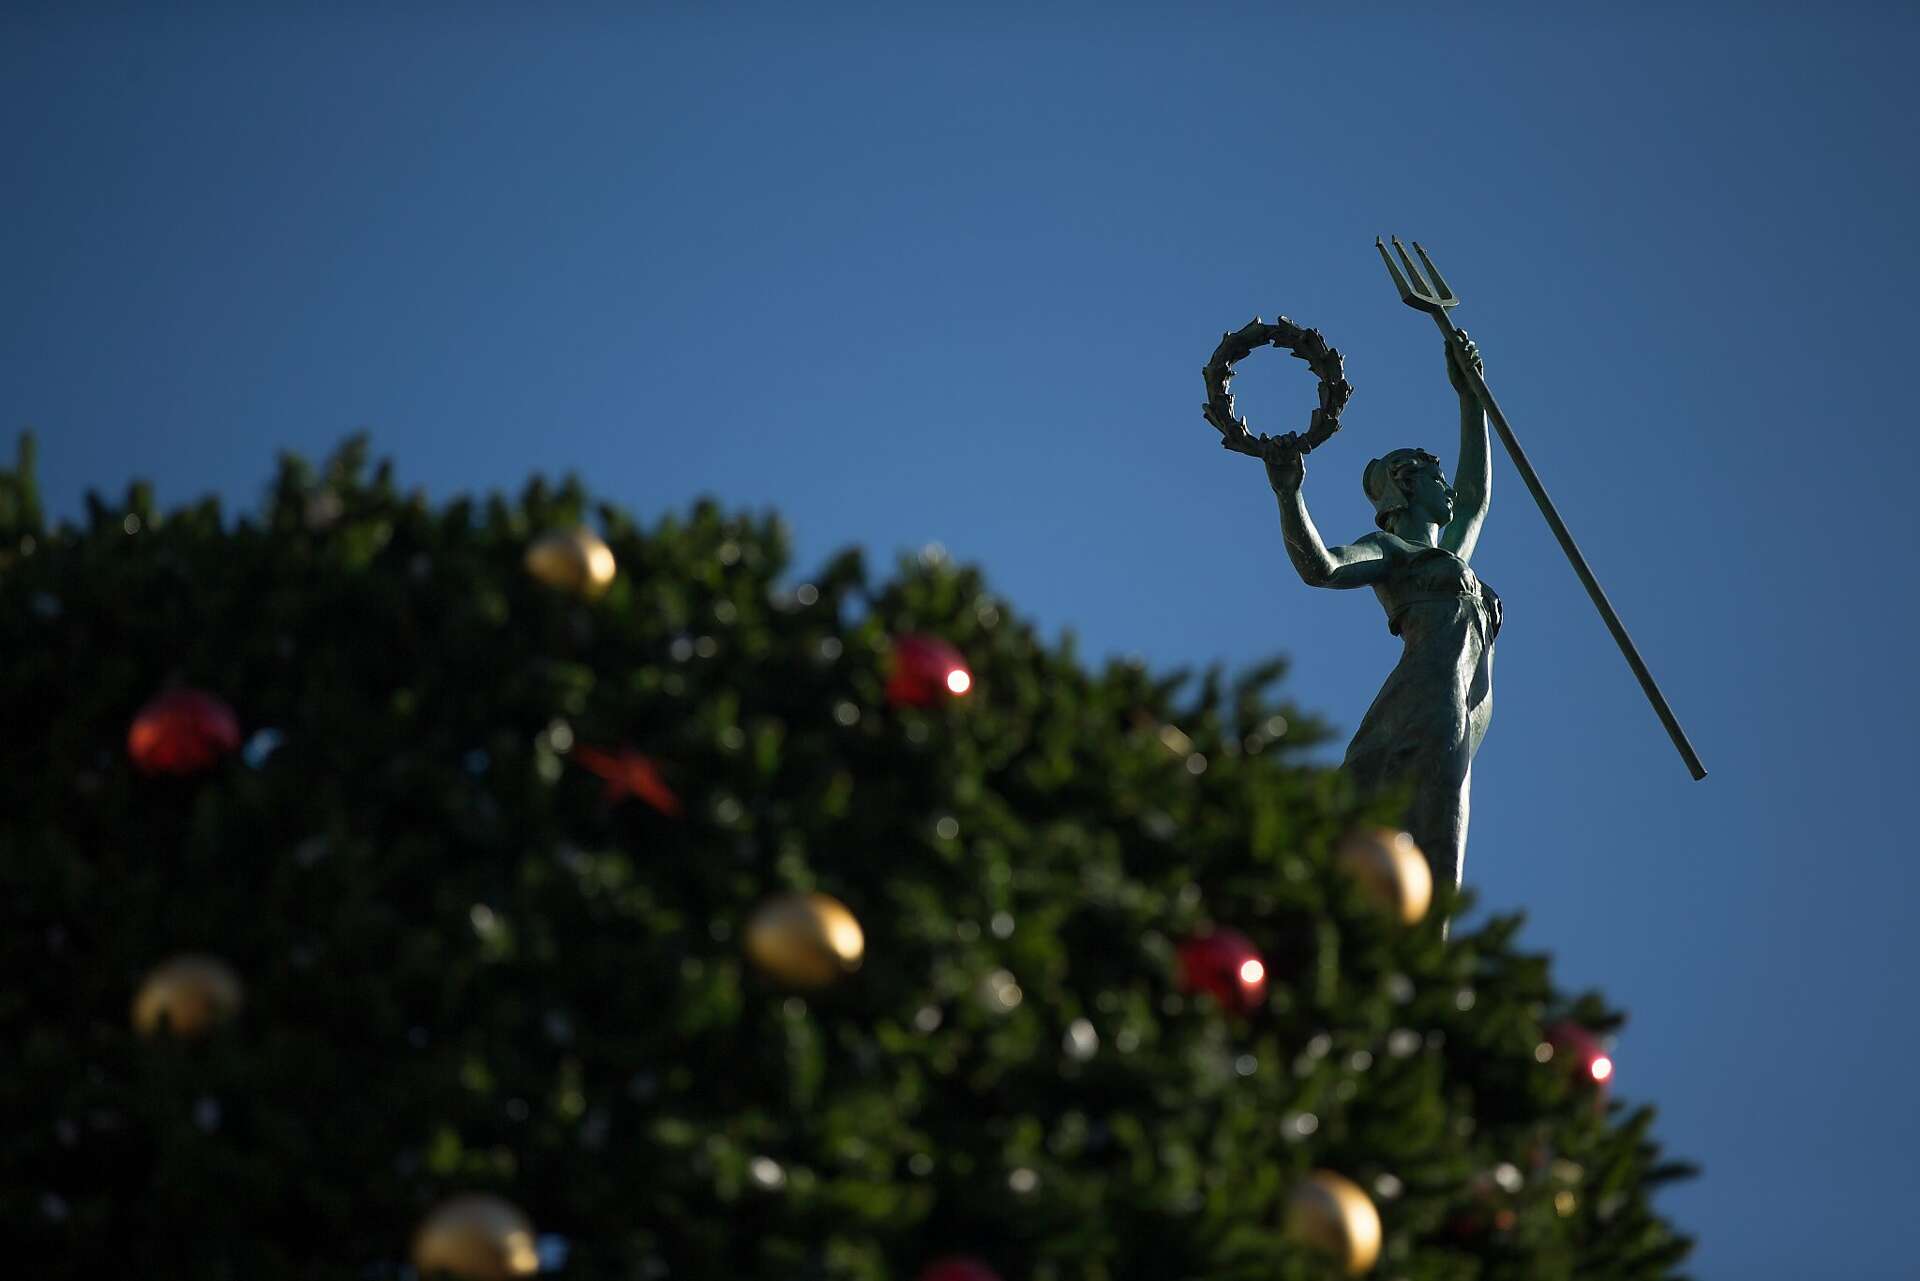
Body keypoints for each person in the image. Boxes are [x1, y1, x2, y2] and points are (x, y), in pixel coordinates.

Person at [1264, 332, 1495, 892]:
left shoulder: (1448, 554)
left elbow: (1476, 495)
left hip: (1463, 704)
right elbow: (1320, 567)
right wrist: (1289, 494)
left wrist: (1472, 396)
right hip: (1429, 696)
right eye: (1434, 477)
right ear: (1405, 485)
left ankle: (1423, 952)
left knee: (1442, 824)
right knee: (1434, 824)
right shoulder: (1391, 551)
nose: (1448, 487)